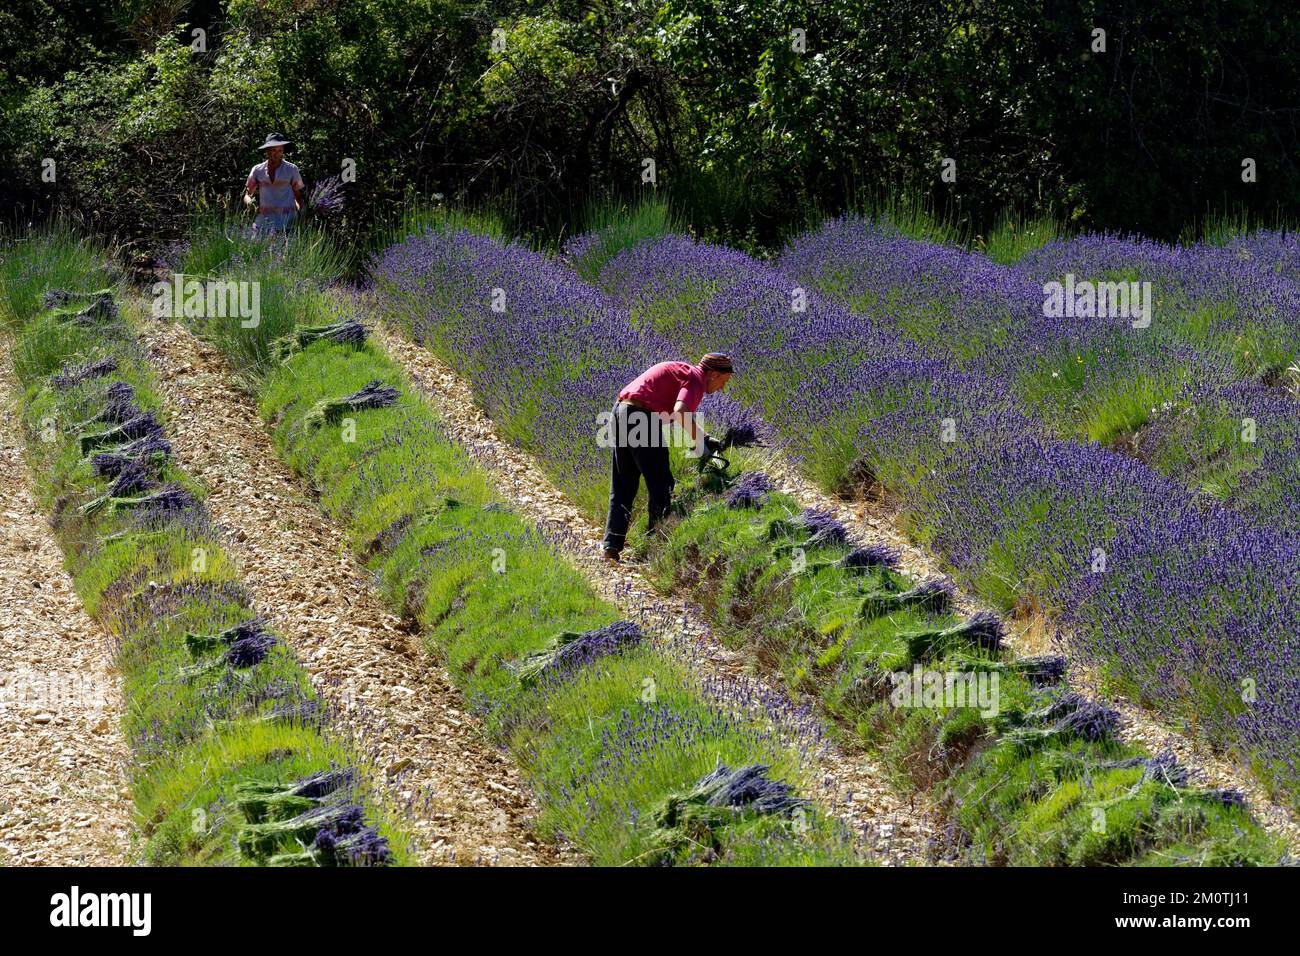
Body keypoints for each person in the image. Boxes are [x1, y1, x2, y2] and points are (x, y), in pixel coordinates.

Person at [602, 353, 734, 562]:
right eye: (723, 381)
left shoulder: (682, 371)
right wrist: (702, 443)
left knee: (623, 484)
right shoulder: (696, 379)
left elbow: (678, 416)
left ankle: (611, 546)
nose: (722, 388)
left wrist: (704, 439)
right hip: (640, 418)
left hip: (620, 411)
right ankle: (655, 548)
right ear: (713, 374)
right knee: (662, 485)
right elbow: (681, 411)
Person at [244, 133, 305, 236]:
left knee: (286, 252)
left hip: (287, 224)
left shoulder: (292, 169)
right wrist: (251, 204)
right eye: (273, 150)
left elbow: (298, 196)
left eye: (280, 150)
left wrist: (301, 214)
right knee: (258, 251)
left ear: (283, 152)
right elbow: (247, 195)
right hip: (262, 223)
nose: (276, 154)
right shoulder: (257, 170)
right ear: (267, 150)